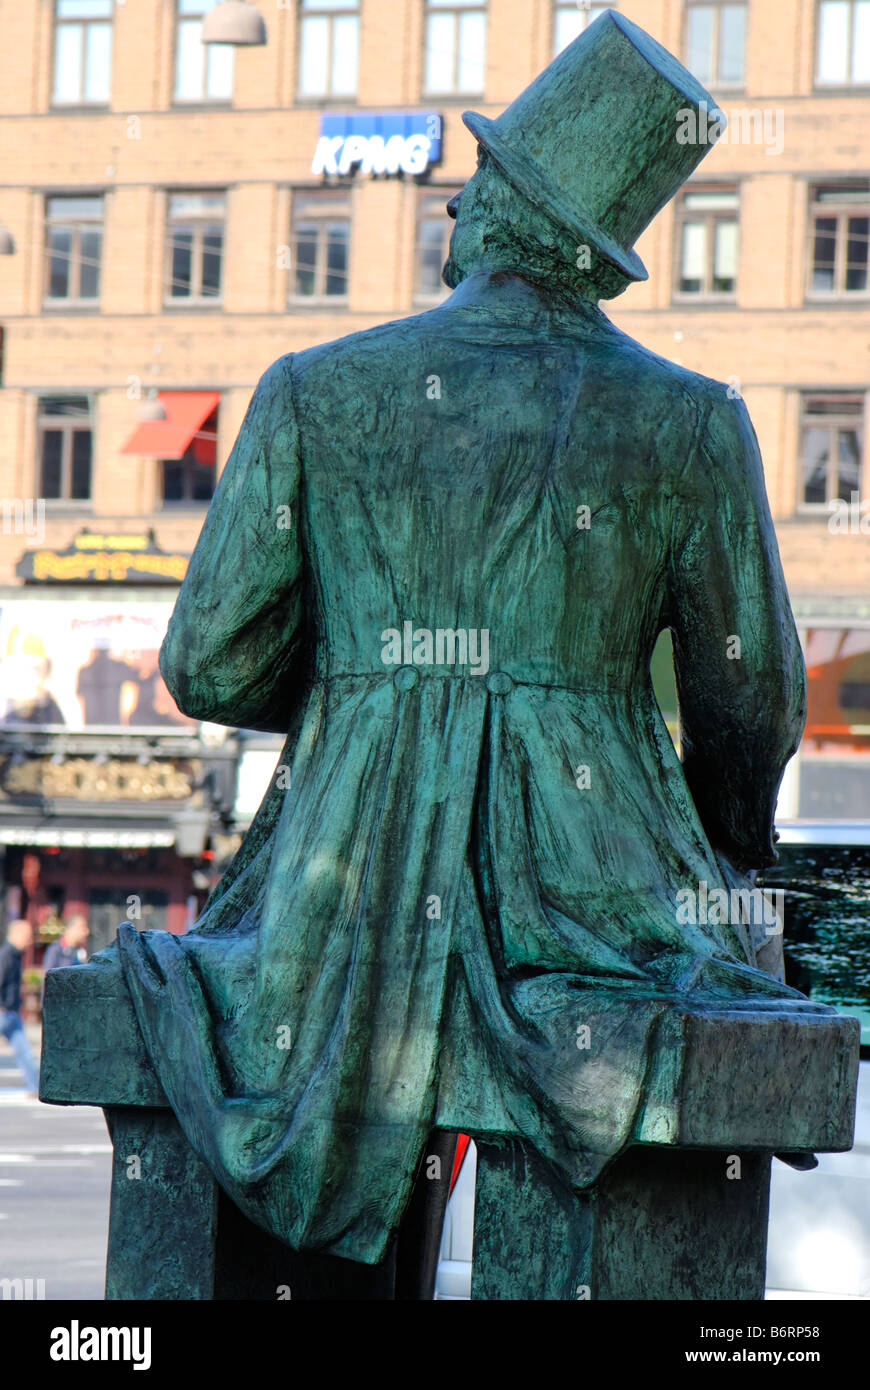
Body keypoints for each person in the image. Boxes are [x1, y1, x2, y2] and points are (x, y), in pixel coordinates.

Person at [112, 11, 828, 1273]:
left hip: (334, 912)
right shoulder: (693, 422)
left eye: (472, 182)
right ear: (598, 259)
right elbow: (752, 703)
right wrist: (728, 857)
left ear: (502, 208)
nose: (447, 210)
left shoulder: (310, 391)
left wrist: (360, 691)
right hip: (598, 909)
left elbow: (210, 664)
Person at [0, 920, 40, 1094]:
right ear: (15, 934)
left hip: (11, 1013)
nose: (29, 940)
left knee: (24, 1051)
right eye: (27, 936)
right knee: (24, 1051)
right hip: (3, 1012)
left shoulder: (15, 955)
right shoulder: (6, 955)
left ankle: (34, 1087)